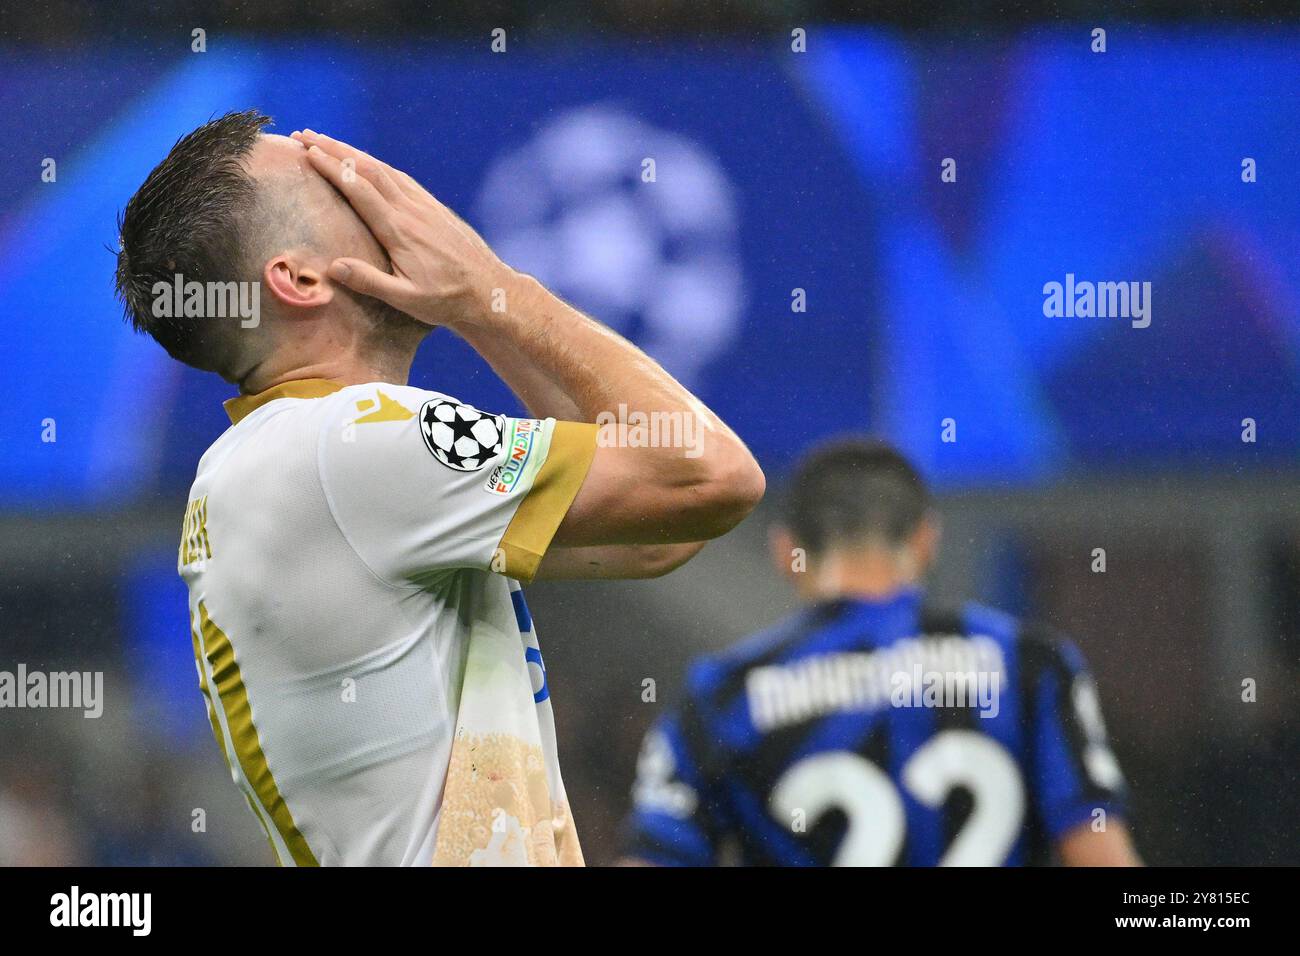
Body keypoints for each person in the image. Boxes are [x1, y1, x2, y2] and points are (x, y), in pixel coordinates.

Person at [114, 111, 764, 866]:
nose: (397, 203)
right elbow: (712, 474)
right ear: (296, 278)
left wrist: (481, 307)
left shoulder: (284, 460)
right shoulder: (353, 441)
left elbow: (657, 535)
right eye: (346, 189)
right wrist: (493, 287)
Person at [621, 439, 1139, 866]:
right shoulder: (1029, 662)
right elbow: (1100, 855)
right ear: (926, 540)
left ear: (785, 552)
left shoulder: (724, 694)